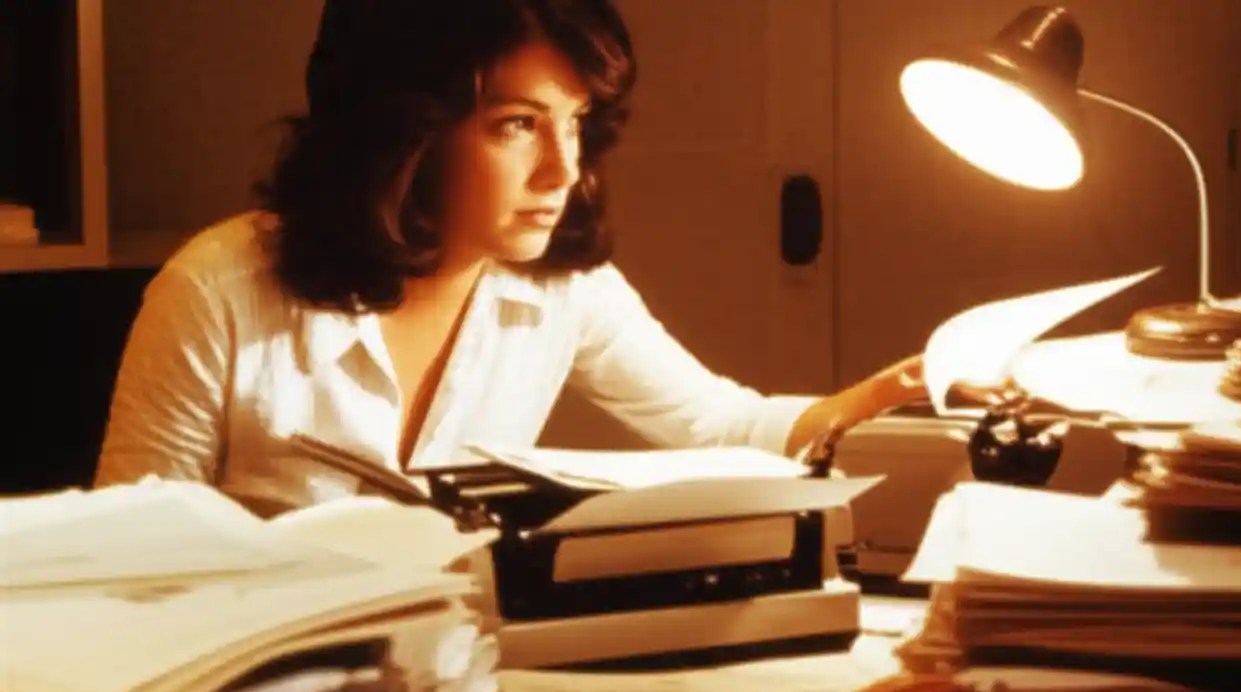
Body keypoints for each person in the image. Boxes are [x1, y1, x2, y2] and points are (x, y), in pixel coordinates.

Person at [94, 0, 926, 513]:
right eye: (518, 125)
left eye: (574, 121)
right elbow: (118, 573)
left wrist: (902, 389)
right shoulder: (219, 291)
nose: (564, 170)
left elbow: (725, 427)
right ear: (408, 133)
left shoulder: (559, 289)